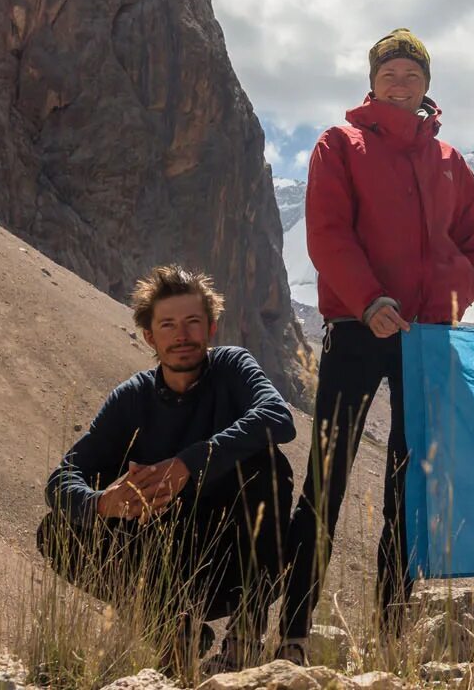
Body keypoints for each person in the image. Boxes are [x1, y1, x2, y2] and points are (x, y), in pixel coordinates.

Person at [277, 28, 474, 661]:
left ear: (428, 84)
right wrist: (368, 300)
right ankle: (291, 630)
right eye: (389, 74)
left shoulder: (451, 162)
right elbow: (327, 233)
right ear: (372, 82)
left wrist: (446, 308)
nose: (400, 84)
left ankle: (392, 641)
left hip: (426, 342)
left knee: (409, 488)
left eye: (411, 74)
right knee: (328, 478)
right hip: (355, 330)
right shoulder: (338, 145)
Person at [40, 266, 296, 674]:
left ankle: (245, 635)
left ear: (211, 328)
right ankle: (173, 634)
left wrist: (187, 465)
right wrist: (103, 503)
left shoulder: (231, 368)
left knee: (269, 464)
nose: (182, 335)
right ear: (149, 336)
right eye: (168, 325)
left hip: (233, 563)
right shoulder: (132, 400)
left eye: (193, 323)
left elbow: (277, 417)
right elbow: (62, 478)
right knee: (58, 531)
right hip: (164, 569)